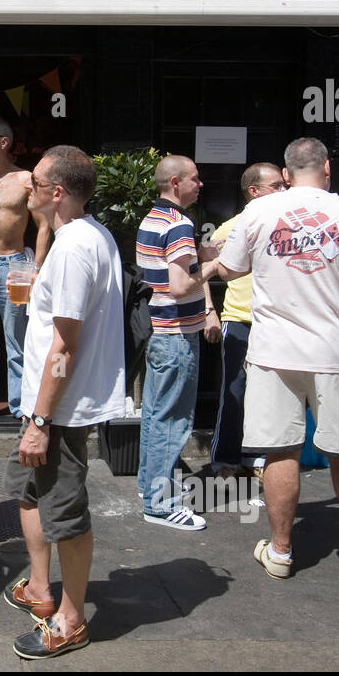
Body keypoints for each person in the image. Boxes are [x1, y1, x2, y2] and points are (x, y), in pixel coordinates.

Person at [205, 137, 339, 581]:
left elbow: (230, 269)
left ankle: (281, 551)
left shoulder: (259, 212)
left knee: (279, 451)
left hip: (272, 351)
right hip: (331, 351)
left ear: (286, 175)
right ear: (328, 168)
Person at [4, 146, 126, 659]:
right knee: (29, 489)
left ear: (57, 192)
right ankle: (39, 587)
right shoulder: (74, 236)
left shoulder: (77, 246)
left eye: (34, 181)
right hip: (47, 403)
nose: (24, 187)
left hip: (60, 408)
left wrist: (40, 419)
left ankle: (71, 619)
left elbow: (65, 345)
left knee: (66, 511)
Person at [135, 155, 220, 530]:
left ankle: (149, 487)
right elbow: (181, 285)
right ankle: (161, 504)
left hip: (158, 331)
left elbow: (164, 267)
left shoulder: (153, 219)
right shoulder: (180, 223)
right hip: (177, 334)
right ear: (175, 182)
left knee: (155, 414)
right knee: (173, 420)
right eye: (195, 178)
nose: (200, 184)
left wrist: (199, 256)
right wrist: (212, 268)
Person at [0, 118, 52, 418]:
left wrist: (36, 269)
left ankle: (21, 405)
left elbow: (44, 226)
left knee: (19, 338)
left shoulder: (25, 180)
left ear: (4, 142)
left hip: (16, 264)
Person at [208, 163, 288, 476]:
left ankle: (256, 458)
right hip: (240, 319)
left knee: (270, 395)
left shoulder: (287, 226)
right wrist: (208, 310)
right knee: (235, 391)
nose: (283, 191)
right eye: (276, 185)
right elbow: (206, 266)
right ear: (254, 191)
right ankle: (225, 458)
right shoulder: (229, 228)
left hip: (275, 321)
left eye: (284, 185)